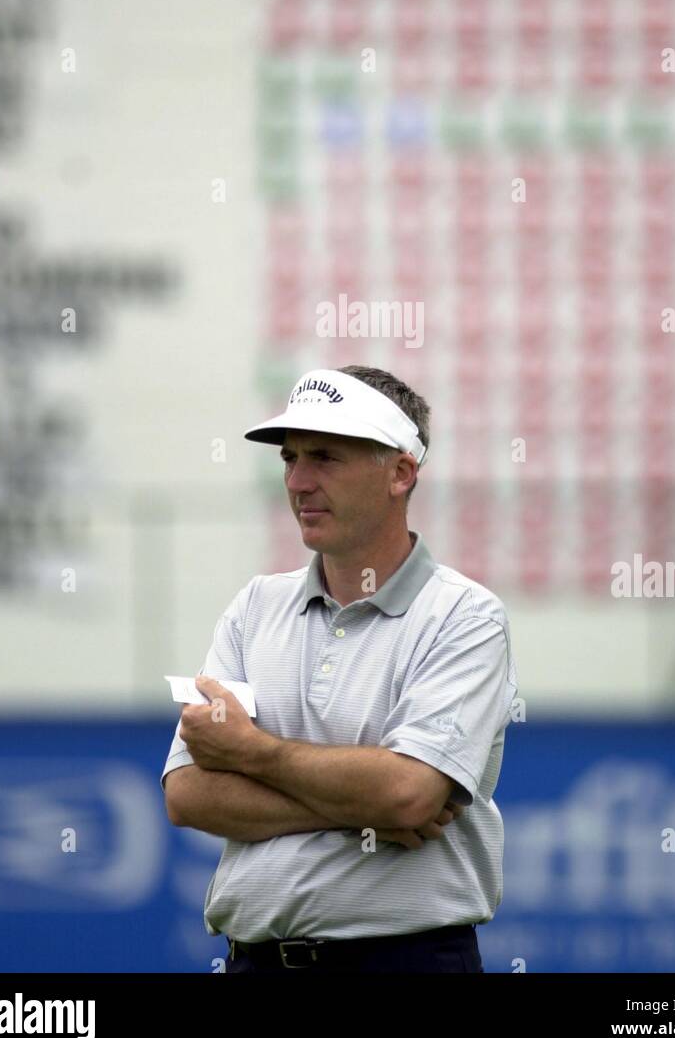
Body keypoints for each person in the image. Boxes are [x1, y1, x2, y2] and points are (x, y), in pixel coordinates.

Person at [161, 364, 518, 973]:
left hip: (407, 962)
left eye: (325, 457)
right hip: (253, 961)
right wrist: (361, 802)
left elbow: (407, 794)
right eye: (290, 458)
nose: (298, 481)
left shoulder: (464, 615)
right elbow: (189, 795)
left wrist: (253, 753)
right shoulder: (255, 607)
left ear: (401, 472)